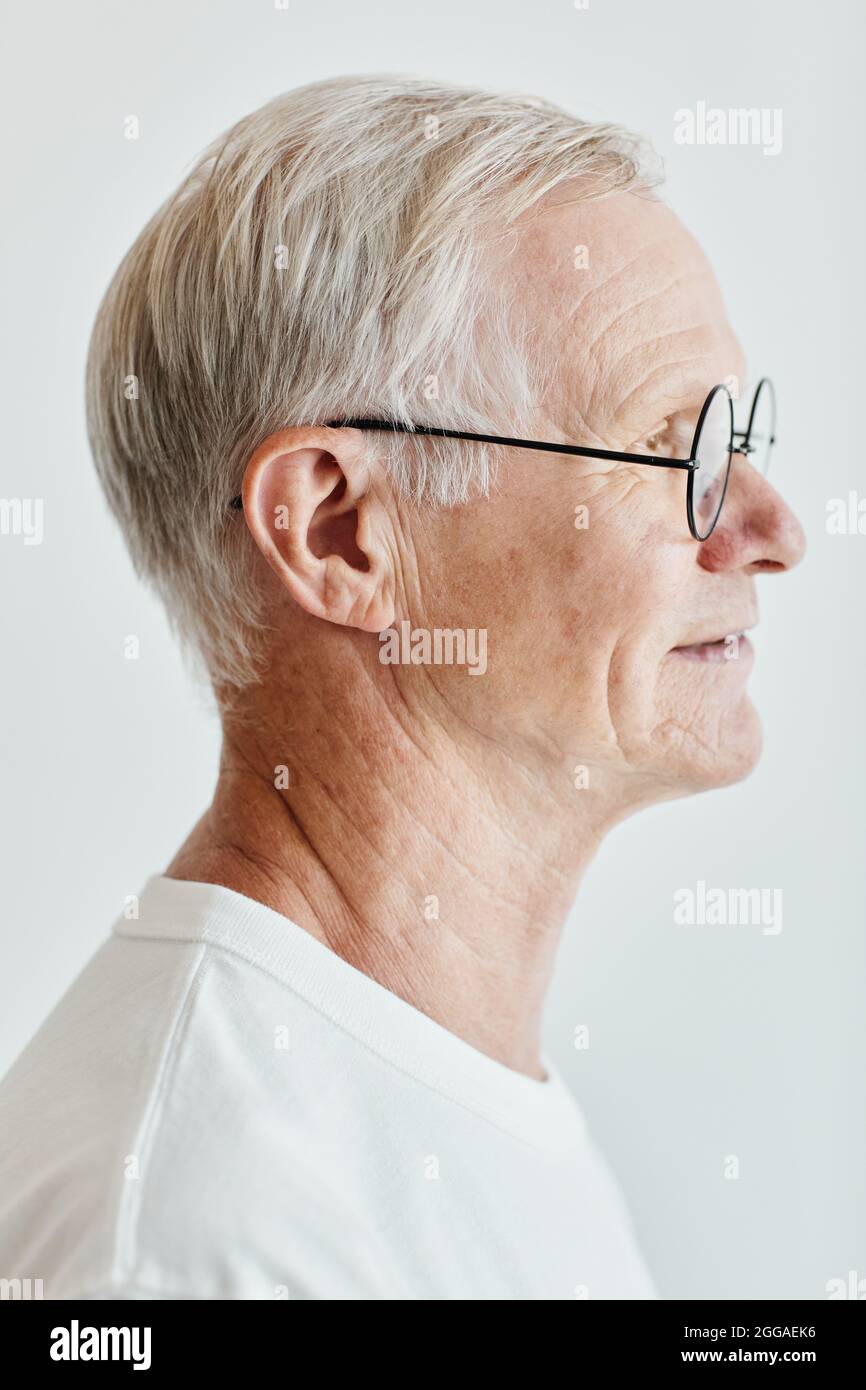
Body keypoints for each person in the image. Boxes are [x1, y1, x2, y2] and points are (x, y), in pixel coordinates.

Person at [0, 74, 804, 1300]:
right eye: (667, 449)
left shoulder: (425, 1096)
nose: (767, 527)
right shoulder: (197, 1240)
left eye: (737, 437)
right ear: (337, 532)